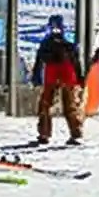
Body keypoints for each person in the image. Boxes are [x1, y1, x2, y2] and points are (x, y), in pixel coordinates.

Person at [30, 15, 85, 146]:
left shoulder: (50, 43)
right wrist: (80, 78)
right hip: (61, 74)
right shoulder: (60, 42)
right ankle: (72, 133)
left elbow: (40, 61)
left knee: (51, 104)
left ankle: (48, 133)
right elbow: (76, 61)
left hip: (59, 74)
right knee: (61, 104)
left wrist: (36, 77)